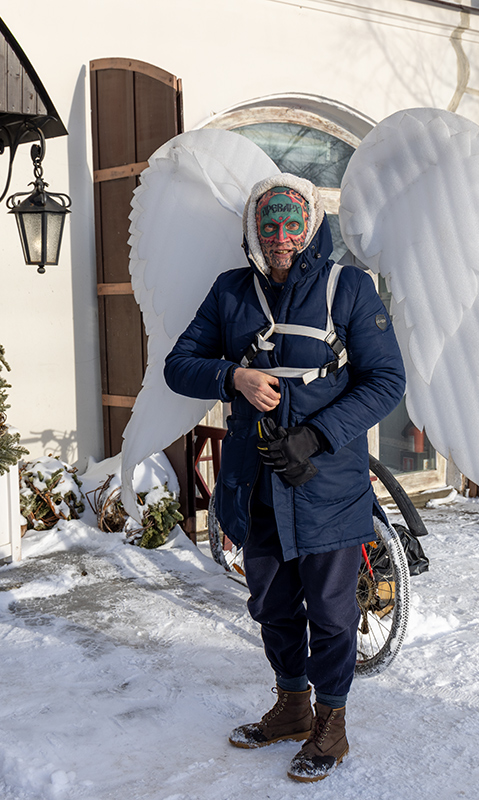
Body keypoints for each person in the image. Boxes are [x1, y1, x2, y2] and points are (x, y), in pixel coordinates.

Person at [164, 173, 406, 782]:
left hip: (327, 484)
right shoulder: (230, 293)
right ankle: (292, 706)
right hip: (255, 481)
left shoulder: (349, 288)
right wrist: (233, 379)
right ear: (253, 230)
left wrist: (316, 435)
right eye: (268, 226)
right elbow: (178, 365)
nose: (280, 238)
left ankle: (332, 723)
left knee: (329, 612)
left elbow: (386, 381)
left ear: (312, 227)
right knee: (271, 603)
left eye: (292, 224)